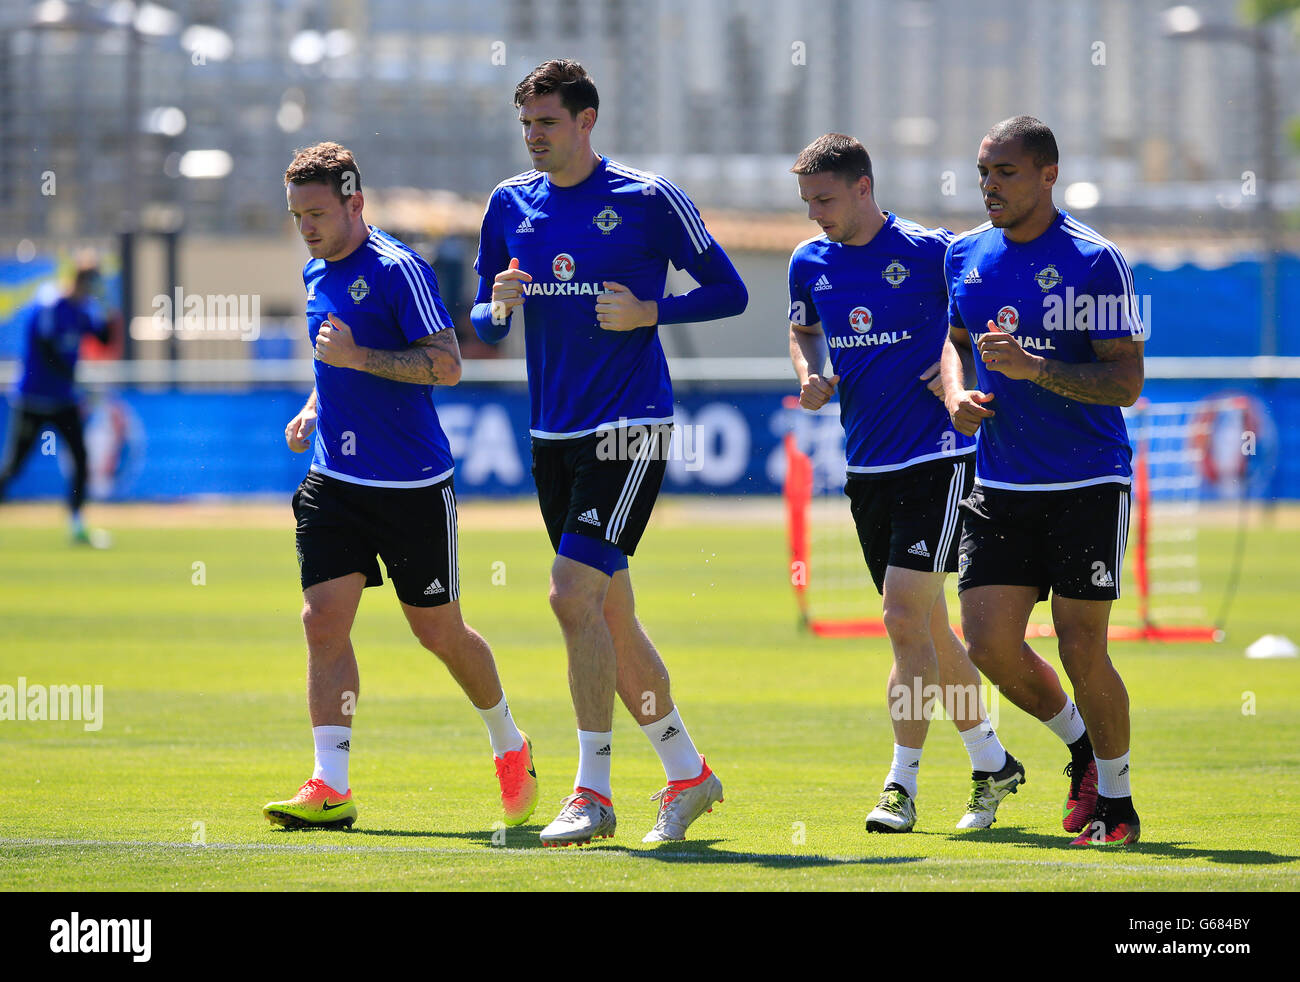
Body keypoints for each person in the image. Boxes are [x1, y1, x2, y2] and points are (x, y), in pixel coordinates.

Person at [471, 60, 747, 845]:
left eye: (547, 124)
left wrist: (648, 312)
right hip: (552, 434)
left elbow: (730, 289)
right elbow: (486, 320)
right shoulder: (507, 205)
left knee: (569, 595)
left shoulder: (647, 199)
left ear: (587, 121)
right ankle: (688, 774)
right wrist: (495, 307)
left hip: (630, 426)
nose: (533, 138)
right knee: (609, 617)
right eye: (525, 124)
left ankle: (591, 793)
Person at [263, 142, 538, 832]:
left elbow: (447, 366)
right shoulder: (314, 270)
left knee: (439, 633)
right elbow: (334, 365)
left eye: (318, 213)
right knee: (321, 621)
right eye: (298, 216)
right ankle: (330, 783)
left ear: (355, 200)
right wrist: (313, 406)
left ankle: (509, 741)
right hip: (334, 481)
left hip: (412, 487)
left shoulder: (398, 270)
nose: (308, 228)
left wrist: (359, 357)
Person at [787, 133, 1025, 833]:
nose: (813, 215)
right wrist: (810, 375)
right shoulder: (810, 262)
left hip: (938, 458)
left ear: (864, 187)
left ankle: (901, 786)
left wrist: (962, 379)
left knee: (900, 618)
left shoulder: (933, 252)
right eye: (806, 202)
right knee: (923, 626)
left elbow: (980, 324)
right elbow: (802, 331)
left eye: (824, 200)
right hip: (866, 465)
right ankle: (992, 761)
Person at [940, 116, 1145, 845]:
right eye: (983, 174)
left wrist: (1036, 369)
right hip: (1000, 482)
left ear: (1047, 174)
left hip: (1088, 482)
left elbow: (1126, 381)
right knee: (988, 645)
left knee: (1079, 645)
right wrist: (955, 393)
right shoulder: (964, 254)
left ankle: (1117, 804)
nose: (990, 186)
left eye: (1006, 172)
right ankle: (1083, 749)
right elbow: (954, 343)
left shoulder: (1094, 261)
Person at [0, 259, 113, 547]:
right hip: (34, 398)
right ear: (79, 280)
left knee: (81, 459)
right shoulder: (50, 304)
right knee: (14, 465)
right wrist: (76, 378)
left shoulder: (84, 309)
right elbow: (47, 350)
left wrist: (109, 311)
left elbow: (103, 339)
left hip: (63, 400)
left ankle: (77, 524)